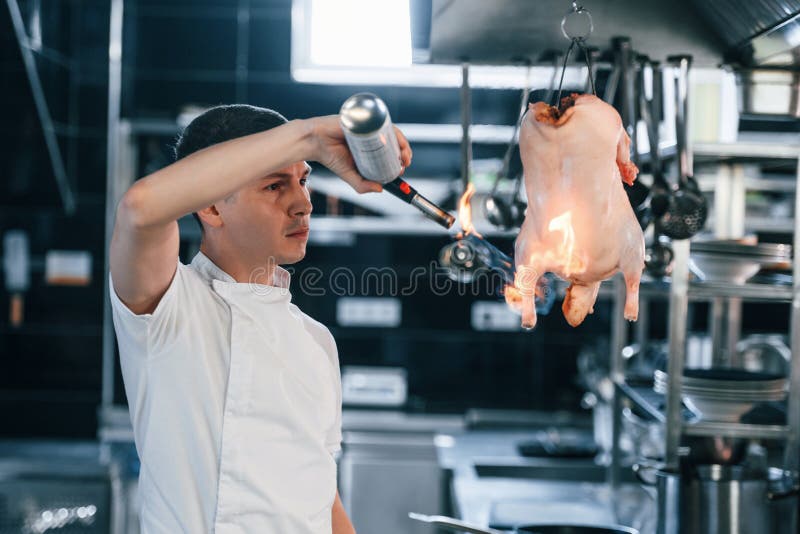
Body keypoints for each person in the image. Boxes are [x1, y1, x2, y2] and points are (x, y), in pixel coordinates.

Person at [108, 104, 412, 533]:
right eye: (274, 186)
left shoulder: (315, 340)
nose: (303, 204)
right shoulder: (168, 306)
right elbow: (140, 207)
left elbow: (321, 498)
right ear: (211, 207)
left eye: (303, 180)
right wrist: (309, 136)